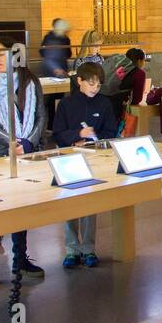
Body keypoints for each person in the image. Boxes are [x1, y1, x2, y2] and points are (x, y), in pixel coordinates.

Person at [0, 39, 46, 290]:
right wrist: (10, 140)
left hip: (26, 153)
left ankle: (20, 260)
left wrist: (26, 144)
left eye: (2, 54)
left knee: (20, 210)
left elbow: (41, 117)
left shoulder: (29, 82)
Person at [50, 60, 111, 268]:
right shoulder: (66, 104)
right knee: (70, 204)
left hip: (93, 158)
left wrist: (94, 139)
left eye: (98, 85)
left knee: (89, 205)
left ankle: (88, 248)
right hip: (69, 158)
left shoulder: (104, 104)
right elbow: (57, 132)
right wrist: (76, 135)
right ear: (80, 81)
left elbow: (111, 133)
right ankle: (71, 249)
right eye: (91, 83)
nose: (95, 88)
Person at [104, 48, 146, 138]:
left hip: (102, 101)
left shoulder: (117, 68)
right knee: (115, 135)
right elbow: (136, 99)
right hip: (117, 107)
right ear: (139, 61)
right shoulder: (139, 73)